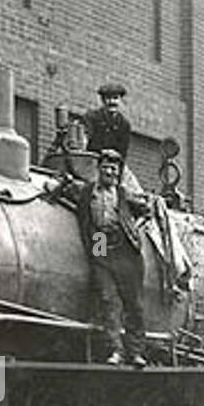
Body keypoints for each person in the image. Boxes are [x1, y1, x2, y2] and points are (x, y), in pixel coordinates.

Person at [70, 148, 152, 366]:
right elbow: (74, 200)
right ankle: (115, 350)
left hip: (124, 248)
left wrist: (137, 226)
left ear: (118, 173)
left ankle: (135, 352)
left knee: (134, 303)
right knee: (108, 299)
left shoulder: (124, 194)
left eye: (113, 169)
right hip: (101, 244)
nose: (109, 172)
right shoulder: (88, 192)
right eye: (106, 167)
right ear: (99, 169)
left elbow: (147, 210)